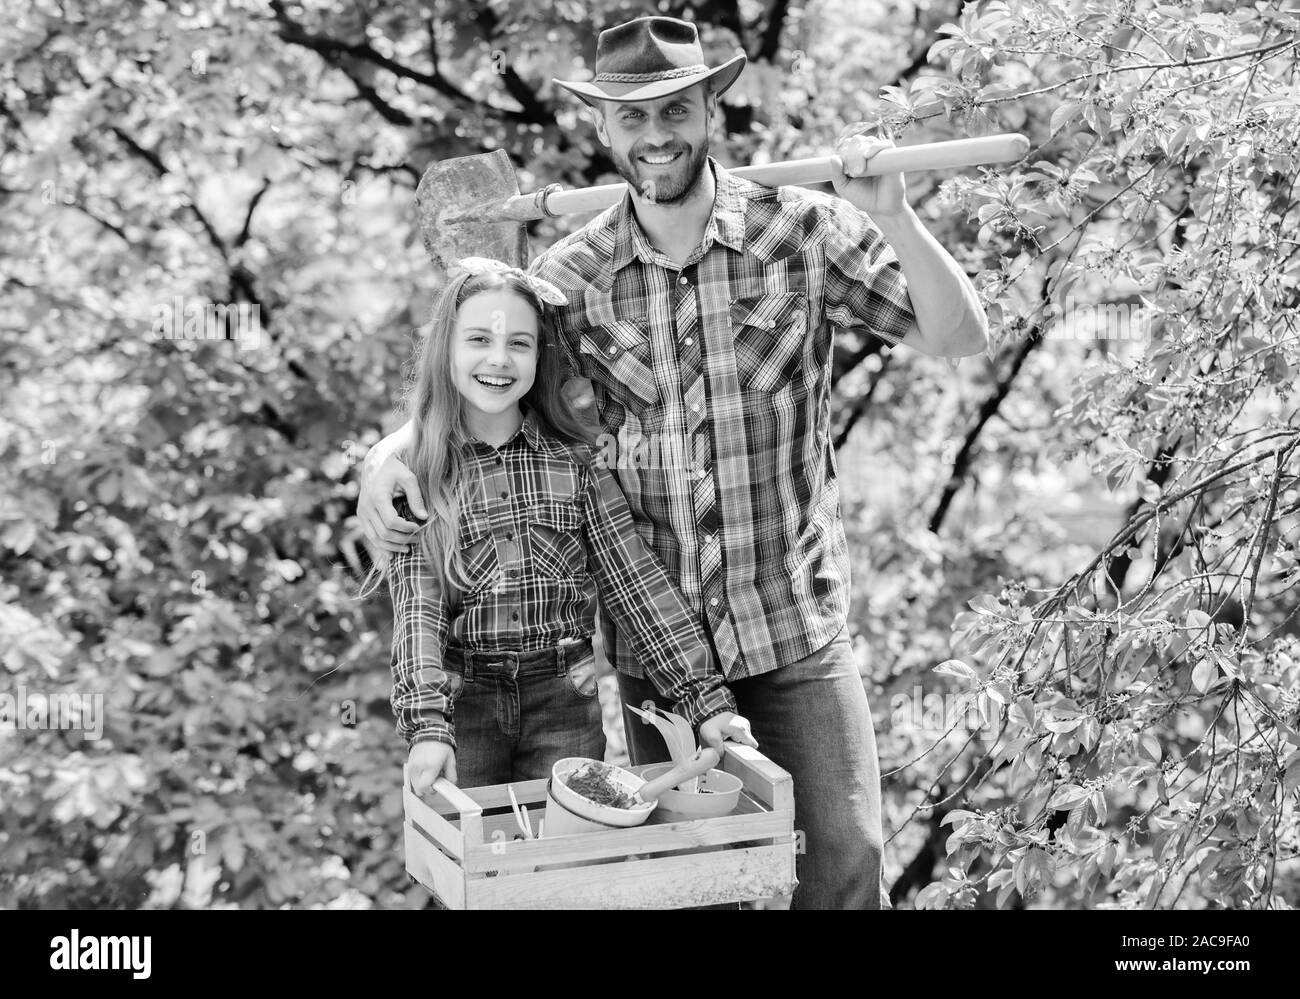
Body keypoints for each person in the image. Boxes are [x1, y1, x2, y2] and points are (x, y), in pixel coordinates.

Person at [358, 17, 987, 907]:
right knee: (699, 892)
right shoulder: (572, 277)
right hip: (660, 653)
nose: (657, 136)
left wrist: (895, 215)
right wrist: (389, 450)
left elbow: (961, 335)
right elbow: (482, 384)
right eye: (633, 118)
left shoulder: (801, 233)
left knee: (845, 864)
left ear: (710, 109)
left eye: (675, 110)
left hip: (793, 626)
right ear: (604, 131)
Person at [367, 256, 755, 796]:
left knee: (564, 860)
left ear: (537, 356)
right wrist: (429, 727)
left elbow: (634, 582)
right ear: (446, 350)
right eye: (479, 339)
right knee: (472, 866)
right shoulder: (421, 474)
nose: (498, 359)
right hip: (463, 704)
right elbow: (417, 610)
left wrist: (704, 700)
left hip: (564, 697)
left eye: (518, 344)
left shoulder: (575, 464)